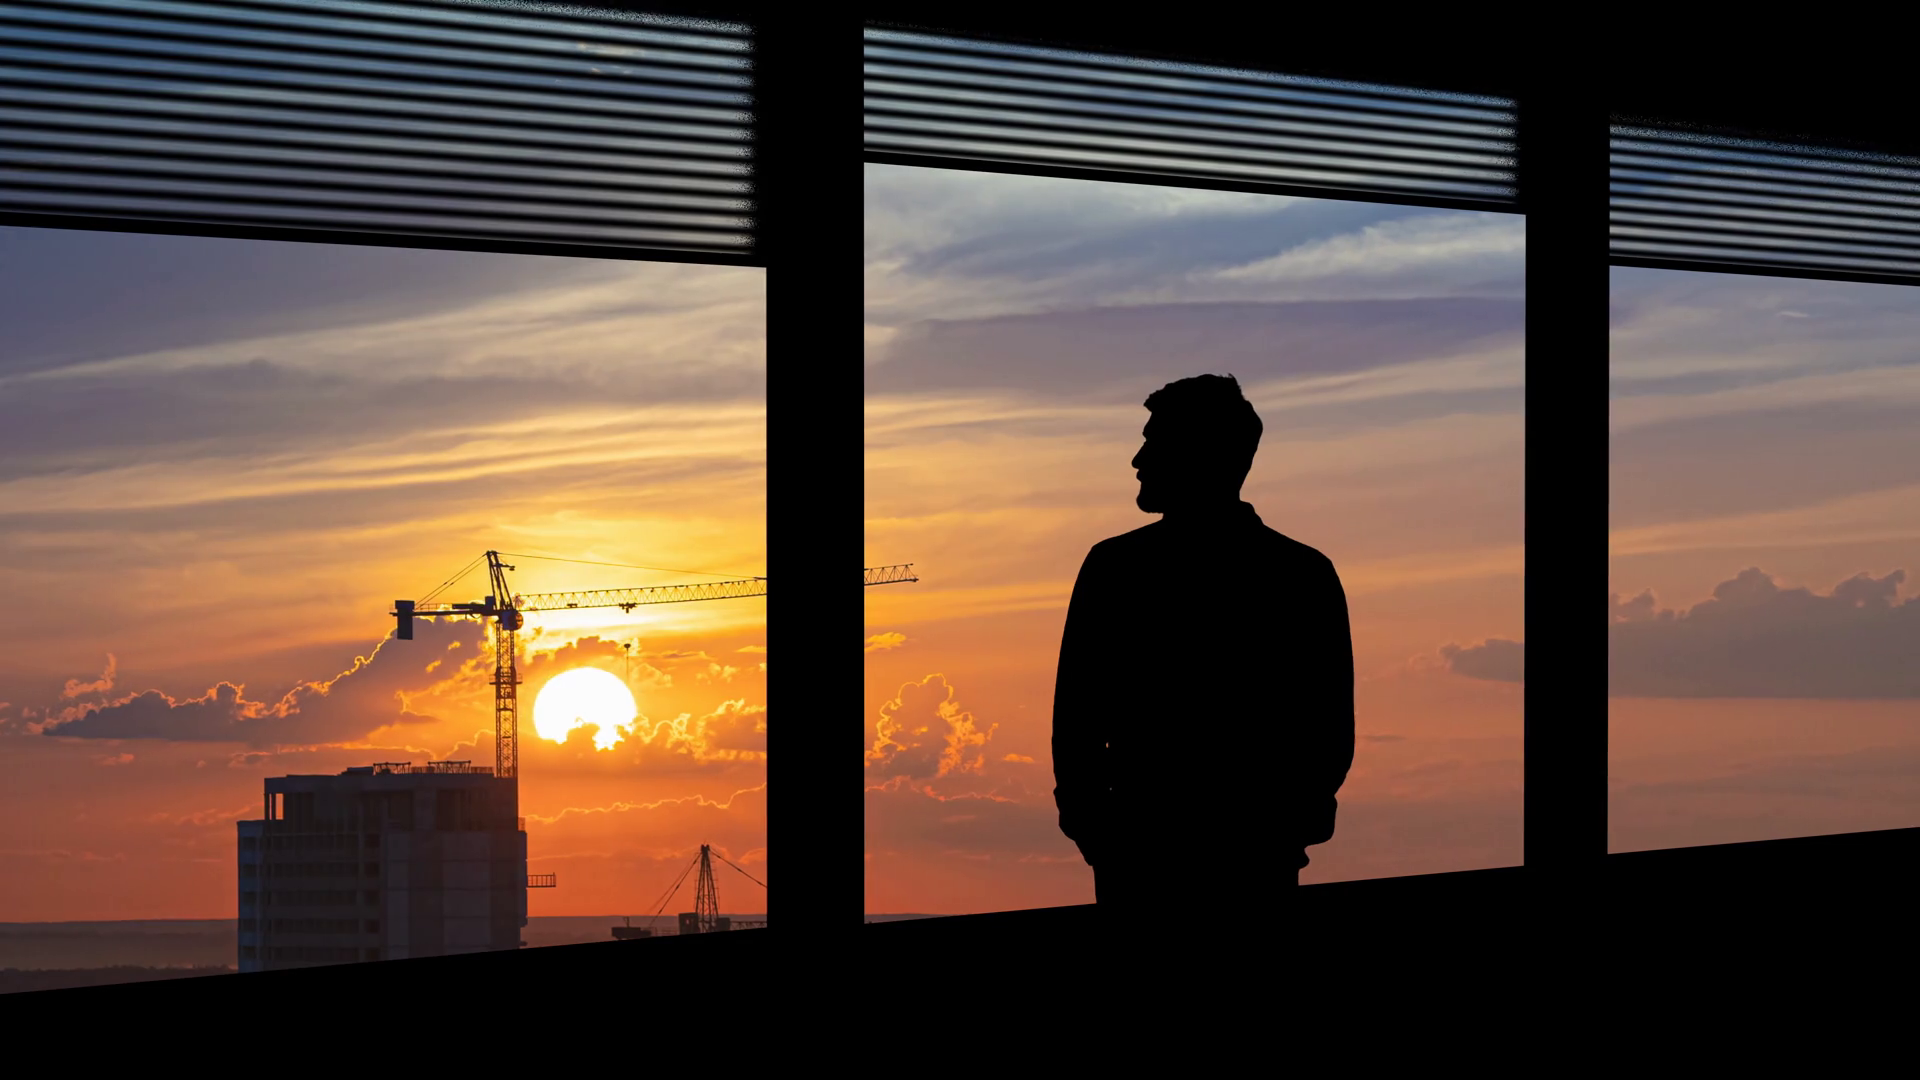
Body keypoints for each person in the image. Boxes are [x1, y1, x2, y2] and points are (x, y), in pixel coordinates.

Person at [1051, 374, 1355, 905]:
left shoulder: (1117, 569)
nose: (1137, 460)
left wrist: (1100, 829)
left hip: (1189, 856)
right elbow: (1327, 733)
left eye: (1154, 441)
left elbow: (1077, 717)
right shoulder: (1301, 573)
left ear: (1199, 454)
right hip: (1206, 853)